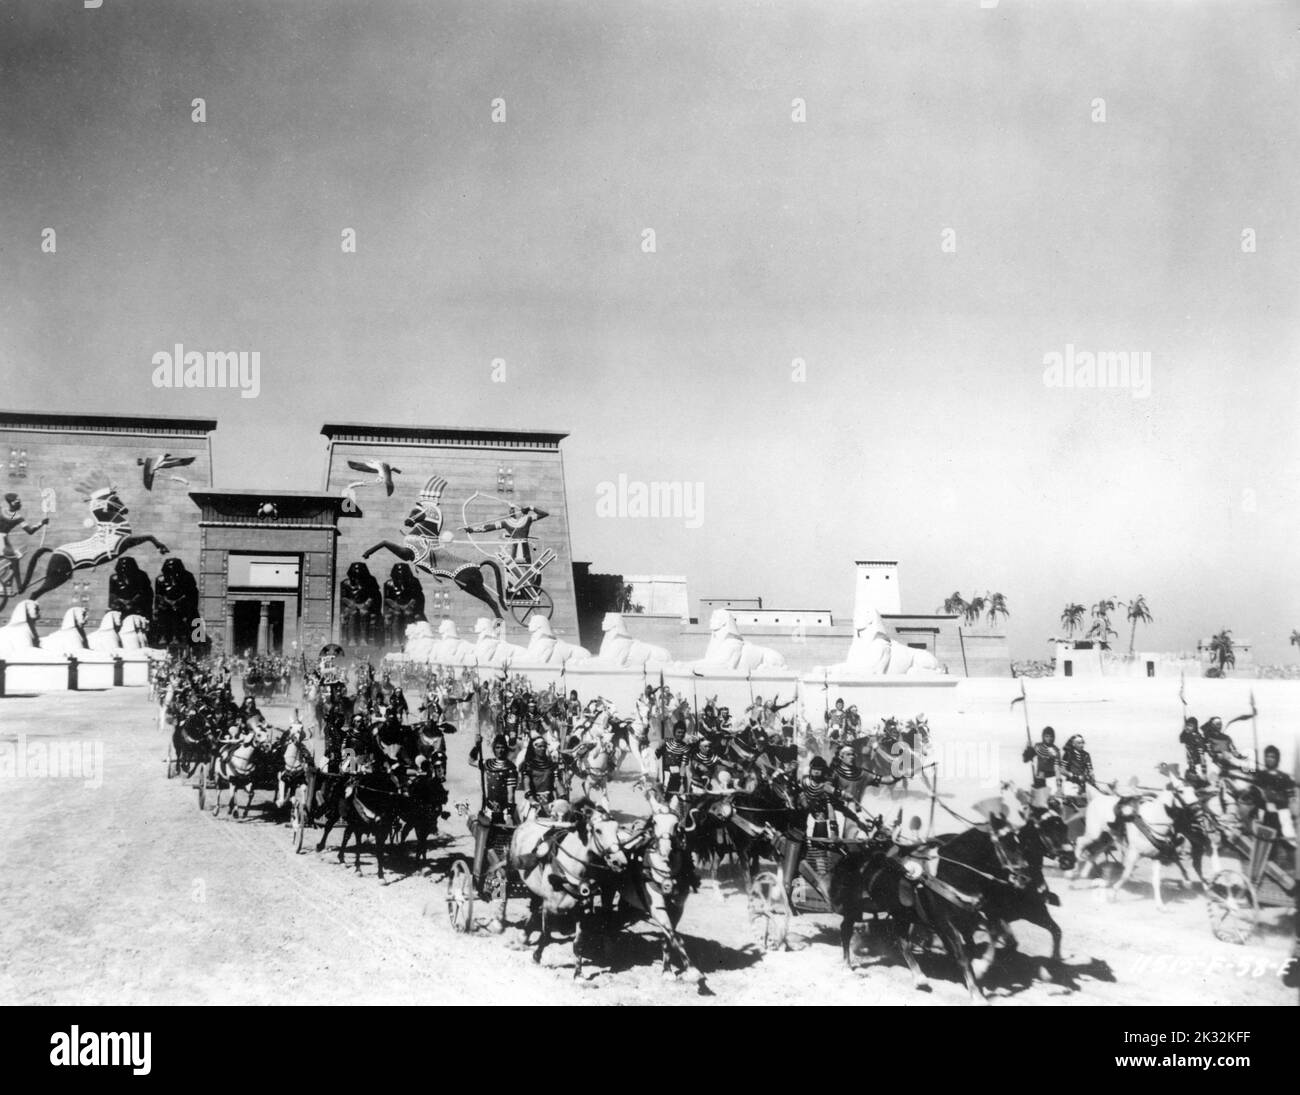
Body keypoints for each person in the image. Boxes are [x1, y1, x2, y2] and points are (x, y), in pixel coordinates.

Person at [1244, 745, 1296, 840]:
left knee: (1289, 838)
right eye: (1267, 756)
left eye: (1272, 757)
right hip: (1264, 813)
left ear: (1277, 759)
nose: (1269, 759)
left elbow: (1291, 798)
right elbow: (1253, 795)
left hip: (1281, 813)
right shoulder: (1260, 775)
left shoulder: (1285, 777)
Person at [0, 492, 47, 593]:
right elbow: (30, 531)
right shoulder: (17, 517)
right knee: (14, 561)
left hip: (3, 540)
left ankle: (7, 586)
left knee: (8, 561)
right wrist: (41, 523)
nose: (20, 503)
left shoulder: (2, 510)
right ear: (12, 503)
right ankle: (19, 587)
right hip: (2, 542)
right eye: (18, 502)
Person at [469, 733, 519, 826]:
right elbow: (471, 761)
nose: (500, 750)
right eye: (497, 747)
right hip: (488, 808)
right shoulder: (487, 764)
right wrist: (476, 746)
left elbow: (511, 793)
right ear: (494, 749)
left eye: (502, 747)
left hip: (505, 810)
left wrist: (509, 816)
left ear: (506, 749)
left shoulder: (510, 768)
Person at [1022, 726, 1061, 807]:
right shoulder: (1038, 747)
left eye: (1051, 736)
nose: (1049, 738)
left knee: (1052, 803)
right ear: (1043, 736)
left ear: (1054, 737)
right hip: (1040, 779)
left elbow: (1057, 769)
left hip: (1051, 780)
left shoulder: (1056, 750)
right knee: (1036, 803)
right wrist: (1027, 749)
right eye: (1046, 736)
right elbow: (1026, 759)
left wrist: (1059, 786)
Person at [656, 720, 691, 798]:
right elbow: (657, 756)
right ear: (674, 732)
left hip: (677, 773)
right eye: (679, 732)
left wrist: (682, 783)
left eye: (682, 732)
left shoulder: (685, 748)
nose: (680, 735)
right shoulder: (666, 742)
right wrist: (659, 747)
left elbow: (683, 765)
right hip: (664, 772)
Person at [1061, 733, 1095, 797]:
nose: (1082, 745)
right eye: (1079, 743)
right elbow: (1062, 770)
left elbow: (1090, 770)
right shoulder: (1068, 754)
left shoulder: (1086, 755)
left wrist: (1091, 776)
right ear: (1073, 744)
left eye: (1082, 743)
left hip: (1083, 785)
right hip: (1071, 784)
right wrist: (1073, 776)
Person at [1179, 716, 1208, 782]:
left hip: (1198, 766)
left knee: (1194, 781)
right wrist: (1184, 728)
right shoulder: (1190, 735)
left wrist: (1203, 771)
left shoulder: (1195, 737)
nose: (1188, 727)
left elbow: (1201, 753)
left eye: (1190, 726)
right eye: (1187, 725)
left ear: (1195, 727)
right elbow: (1182, 739)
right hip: (1192, 765)